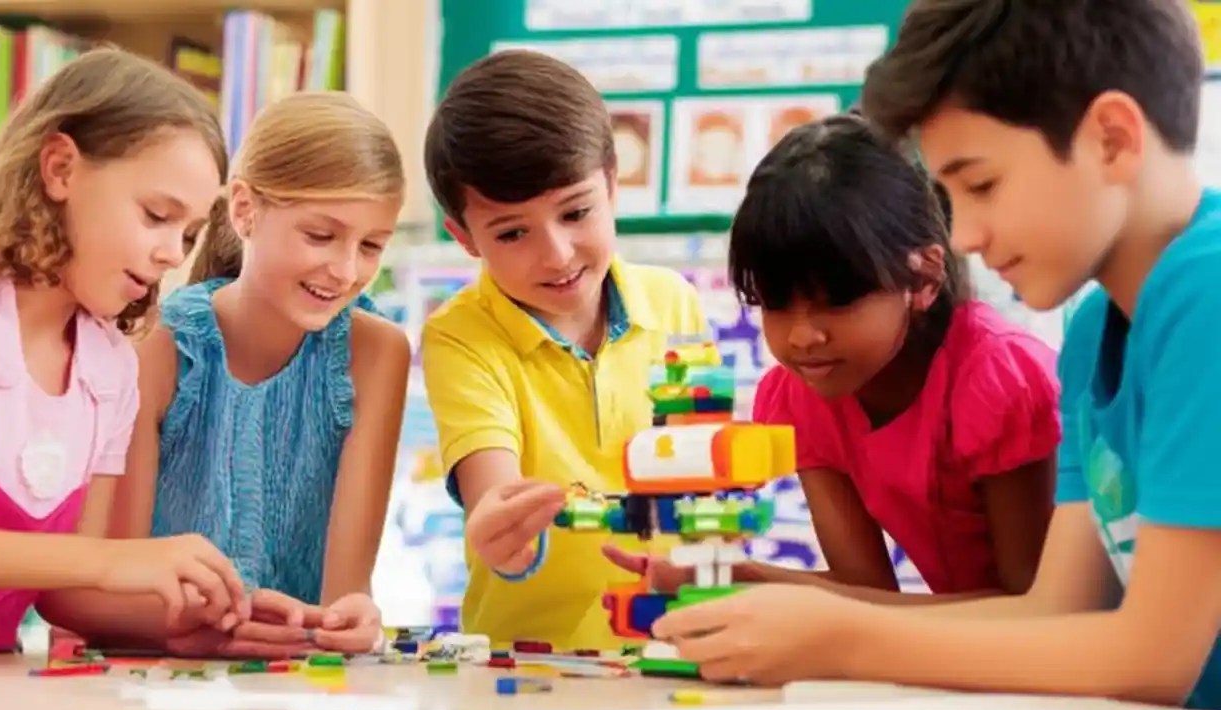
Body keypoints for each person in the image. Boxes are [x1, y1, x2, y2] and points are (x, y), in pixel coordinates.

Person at [650, 0, 1221, 710]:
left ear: (1111, 139)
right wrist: (792, 605)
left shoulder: (1206, 293)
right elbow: (1049, 612)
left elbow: (1153, 657)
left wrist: (841, 641)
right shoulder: (1094, 330)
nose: (963, 238)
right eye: (951, 196)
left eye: (982, 185)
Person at [607, 114, 1059, 602]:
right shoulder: (805, 396)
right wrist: (728, 577)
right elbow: (863, 589)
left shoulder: (1000, 384)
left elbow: (1034, 610)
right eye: (775, 302)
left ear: (924, 277)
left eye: (837, 300)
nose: (803, 336)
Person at [0, 48, 267, 655]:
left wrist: (205, 622)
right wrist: (110, 561)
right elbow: (90, 562)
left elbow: (67, 593)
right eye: (157, 215)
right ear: (61, 168)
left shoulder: (110, 369)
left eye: (190, 234)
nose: (174, 253)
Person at [421, 49, 707, 650]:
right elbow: (494, 490)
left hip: (668, 646)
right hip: (528, 663)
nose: (556, 254)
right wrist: (502, 531)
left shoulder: (674, 304)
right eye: (512, 232)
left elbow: (699, 475)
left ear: (612, 184)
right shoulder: (461, 334)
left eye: (576, 212)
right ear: (465, 238)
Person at [107, 92, 411, 655]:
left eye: (371, 246)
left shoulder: (376, 354)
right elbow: (115, 584)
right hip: (155, 672)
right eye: (320, 236)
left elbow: (345, 592)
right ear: (245, 209)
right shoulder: (158, 346)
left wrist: (353, 618)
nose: (346, 271)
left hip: (297, 673)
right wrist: (208, 628)